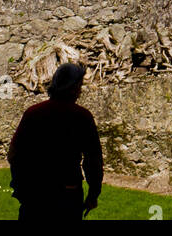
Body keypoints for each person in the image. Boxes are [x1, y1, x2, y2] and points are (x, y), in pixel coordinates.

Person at [8, 61, 103, 222]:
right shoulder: (81, 117)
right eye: (79, 86)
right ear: (73, 87)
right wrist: (93, 194)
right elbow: (93, 160)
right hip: (67, 195)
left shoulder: (33, 114)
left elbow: (14, 155)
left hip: (35, 195)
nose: (80, 91)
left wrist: (20, 188)